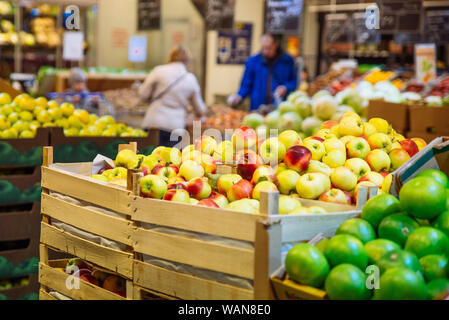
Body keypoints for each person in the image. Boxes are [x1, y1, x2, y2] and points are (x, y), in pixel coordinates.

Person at [139, 46, 207, 147]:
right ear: (187, 61)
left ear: (170, 58)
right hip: (175, 125)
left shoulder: (158, 71)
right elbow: (200, 109)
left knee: (149, 155)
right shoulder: (190, 79)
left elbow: (143, 93)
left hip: (154, 121)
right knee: (169, 159)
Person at [227, 33, 298, 111]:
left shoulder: (287, 61)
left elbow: (294, 82)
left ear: (275, 44)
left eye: (268, 48)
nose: (265, 51)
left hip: (279, 108)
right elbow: (246, 85)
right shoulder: (252, 62)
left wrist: (285, 87)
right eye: (263, 48)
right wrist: (238, 96)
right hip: (257, 108)